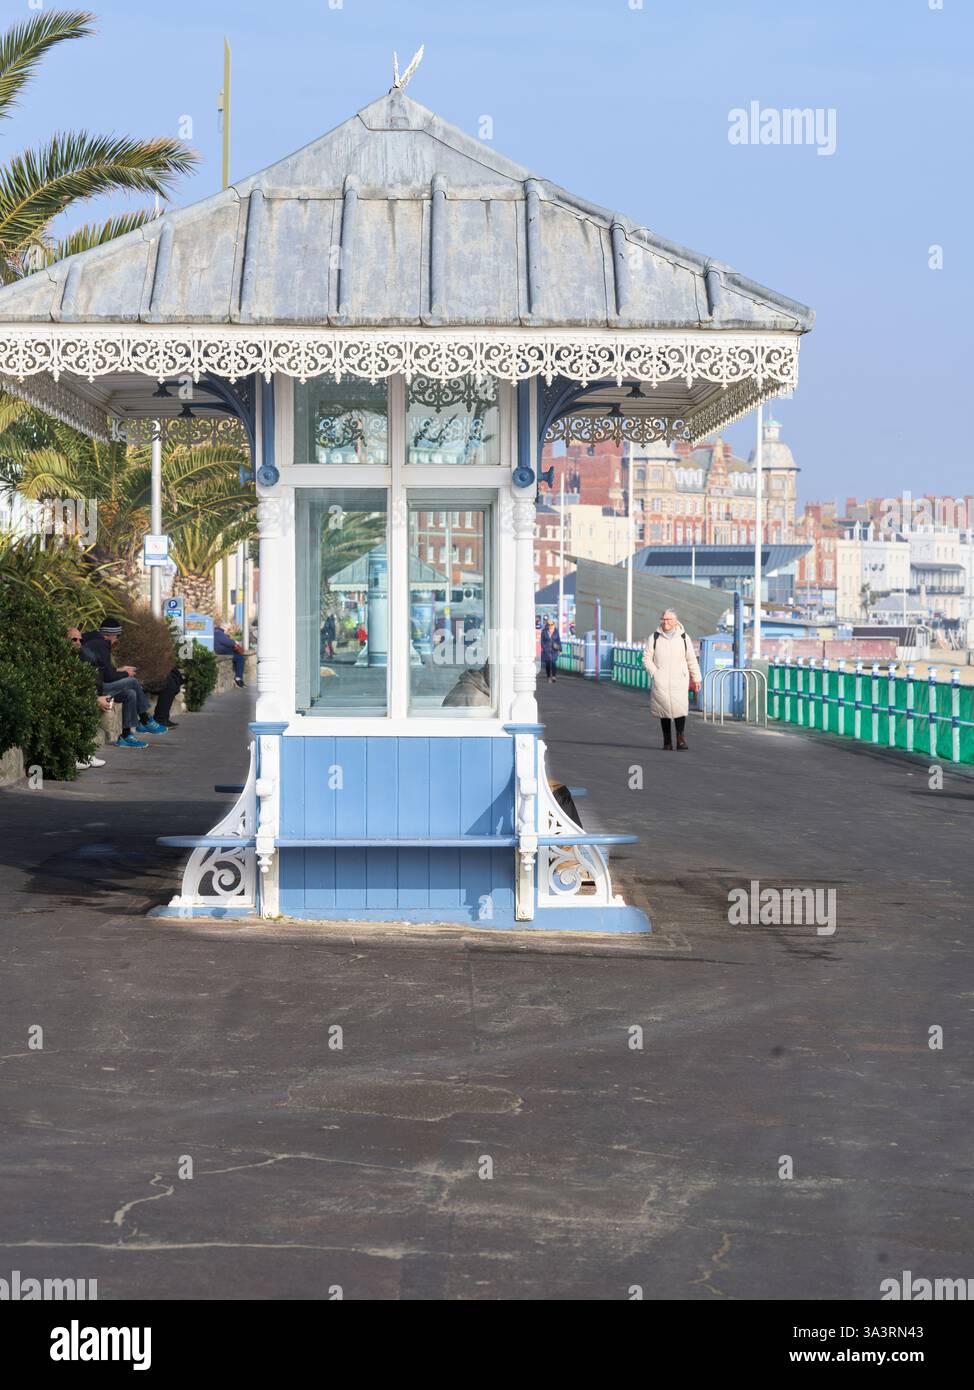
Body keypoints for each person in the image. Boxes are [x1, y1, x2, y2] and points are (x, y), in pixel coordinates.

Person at [80, 618, 168, 748]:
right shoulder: (102, 644)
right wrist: (126, 674)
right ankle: (145, 719)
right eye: (117, 635)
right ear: (111, 634)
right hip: (96, 688)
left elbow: (104, 670)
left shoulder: (95, 641)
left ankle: (126, 736)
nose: (117, 639)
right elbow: (109, 677)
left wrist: (119, 670)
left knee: (130, 694)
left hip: (98, 683)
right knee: (132, 681)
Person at [643, 608, 702, 751]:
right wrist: (655, 673)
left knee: (679, 709)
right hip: (661, 680)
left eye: (668, 619)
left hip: (679, 680)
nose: (665, 622)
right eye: (663, 619)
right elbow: (646, 659)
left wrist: (697, 678)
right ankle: (667, 741)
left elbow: (691, 659)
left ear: (675, 621)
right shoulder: (654, 637)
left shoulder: (683, 637)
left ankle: (681, 739)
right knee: (663, 711)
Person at [66, 627, 108, 768]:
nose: (78, 642)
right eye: (74, 639)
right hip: (63, 700)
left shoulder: (80, 658)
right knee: (83, 707)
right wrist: (95, 699)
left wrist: (97, 697)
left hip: (77, 697)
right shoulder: (62, 659)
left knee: (92, 706)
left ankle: (84, 754)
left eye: (80, 640)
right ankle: (74, 755)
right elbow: (68, 690)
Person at [540, 618, 562, 683]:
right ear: (547, 625)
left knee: (553, 662)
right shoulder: (544, 631)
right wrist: (544, 647)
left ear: (553, 624)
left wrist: (560, 649)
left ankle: (554, 676)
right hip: (546, 650)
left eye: (551, 624)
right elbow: (542, 641)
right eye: (549, 624)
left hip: (554, 650)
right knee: (548, 663)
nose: (550, 625)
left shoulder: (556, 631)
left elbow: (558, 640)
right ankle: (549, 676)